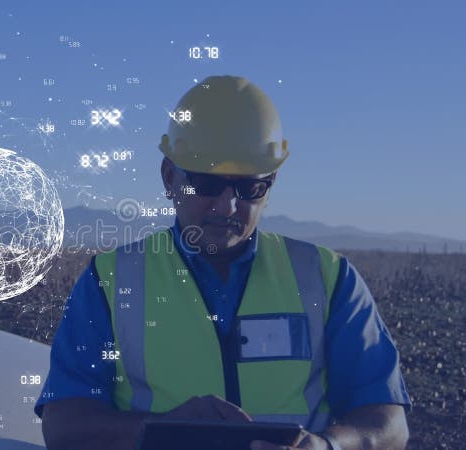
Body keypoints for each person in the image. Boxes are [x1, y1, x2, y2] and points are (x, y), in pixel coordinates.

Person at [35, 75, 411, 450]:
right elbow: (64, 426)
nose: (228, 205)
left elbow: (389, 425)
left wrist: (325, 446)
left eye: (250, 188)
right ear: (170, 178)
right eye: (206, 184)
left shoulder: (328, 279)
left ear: (271, 184)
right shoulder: (110, 281)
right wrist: (162, 430)